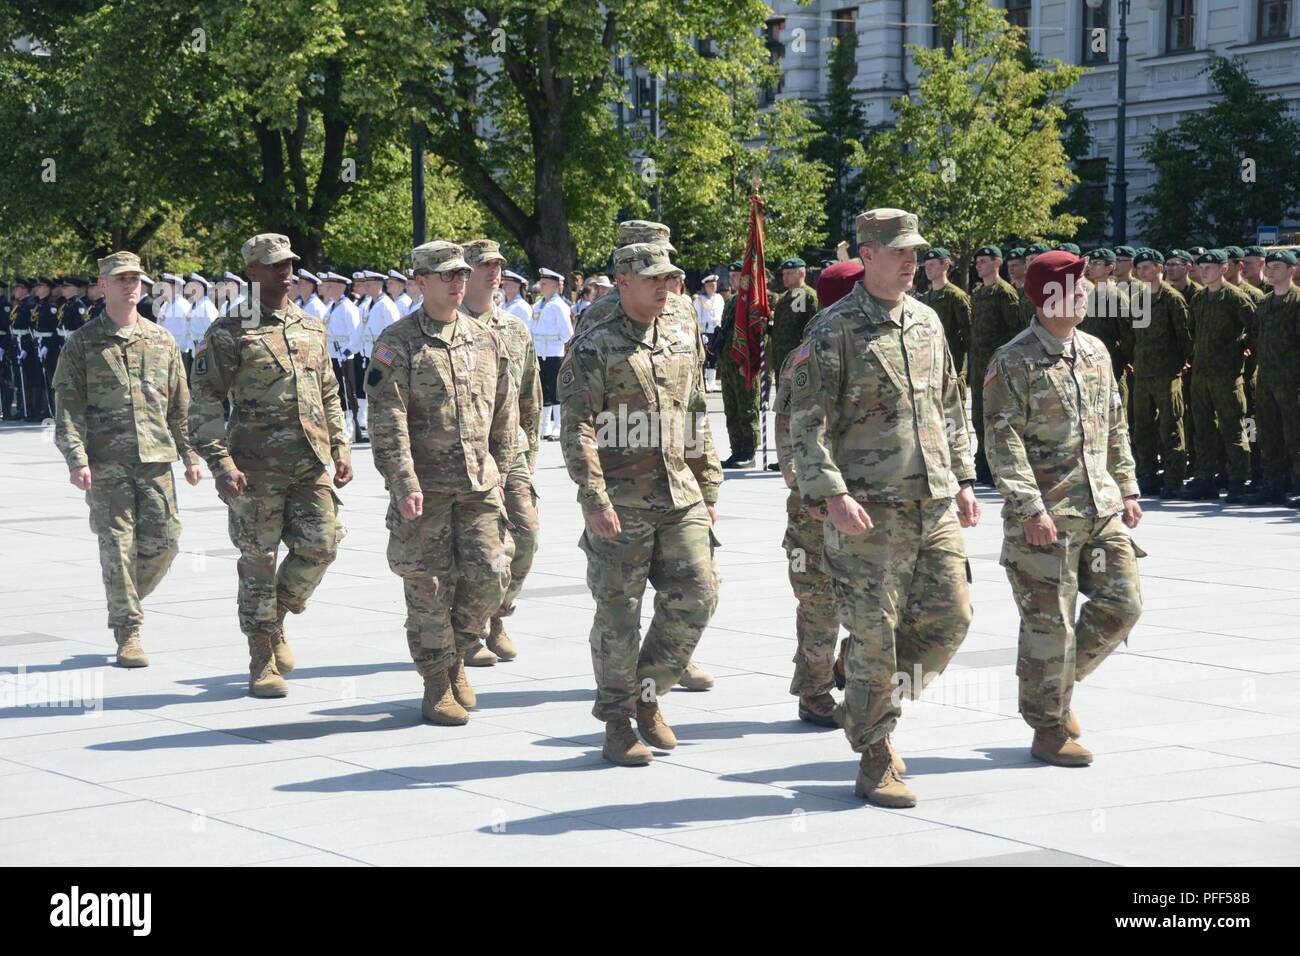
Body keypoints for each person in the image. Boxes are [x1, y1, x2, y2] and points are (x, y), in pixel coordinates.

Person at [788, 208, 980, 808]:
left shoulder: (927, 322)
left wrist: (967, 479)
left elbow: (949, 405)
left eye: (915, 252)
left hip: (934, 502)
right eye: (898, 251)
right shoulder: (832, 330)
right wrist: (833, 494)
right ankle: (876, 754)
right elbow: (806, 423)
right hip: (867, 513)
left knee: (952, 618)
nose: (910, 262)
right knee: (876, 638)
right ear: (866, 255)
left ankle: (869, 695)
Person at [558, 241, 723, 765]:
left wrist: (709, 485)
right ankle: (616, 721)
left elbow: (696, 414)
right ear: (623, 282)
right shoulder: (594, 347)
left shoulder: (678, 336)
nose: (663, 285)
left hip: (680, 495)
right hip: (621, 503)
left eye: (668, 277)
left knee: (699, 595)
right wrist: (594, 497)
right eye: (651, 277)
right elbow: (578, 428)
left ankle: (646, 694)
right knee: (618, 616)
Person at [982, 250, 1143, 767]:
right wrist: (1030, 508)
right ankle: (1048, 727)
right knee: (1050, 625)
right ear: (1048, 295)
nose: (1087, 292)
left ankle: (1050, 686)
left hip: (1100, 508)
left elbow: (1114, 424)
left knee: (1123, 605)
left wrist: (1129, 487)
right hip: (1046, 519)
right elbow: (1002, 441)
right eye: (1077, 285)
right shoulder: (1013, 359)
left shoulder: (1095, 351)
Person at [188, 233, 351, 698]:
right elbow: (205, 403)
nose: (286, 271)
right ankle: (261, 656)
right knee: (258, 560)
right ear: (252, 273)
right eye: (274, 264)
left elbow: (329, 393)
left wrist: (340, 447)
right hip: (253, 468)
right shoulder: (228, 331)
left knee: (322, 546)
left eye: (289, 263)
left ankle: (276, 615)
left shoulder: (311, 326)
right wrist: (220, 462)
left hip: (310, 461)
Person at [367, 240, 518, 724]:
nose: (458, 283)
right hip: (425, 490)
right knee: (429, 588)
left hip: (478, 486)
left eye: (461, 275)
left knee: (492, 575)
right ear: (420, 282)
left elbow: (503, 413)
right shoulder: (397, 342)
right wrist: (403, 482)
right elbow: (387, 419)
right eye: (447, 276)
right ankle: (438, 681)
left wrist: (502, 471)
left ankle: (458, 654)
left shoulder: (485, 338)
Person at [52, 251, 204, 667]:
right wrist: (76, 458)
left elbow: (180, 406)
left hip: (156, 460)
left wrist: (190, 454)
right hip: (106, 463)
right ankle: (128, 630)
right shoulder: (82, 343)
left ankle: (124, 596)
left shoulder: (161, 340)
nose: (130, 285)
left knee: (166, 543)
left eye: (135, 278)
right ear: (103, 286)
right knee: (117, 545)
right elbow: (67, 408)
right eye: (120, 279)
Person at [458, 238, 542, 667]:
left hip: (511, 454)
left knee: (525, 537)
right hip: (466, 459)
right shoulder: (449, 325)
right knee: (476, 549)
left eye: (497, 265)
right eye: (483, 265)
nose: (493, 272)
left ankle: (498, 615)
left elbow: (531, 398)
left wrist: (528, 457)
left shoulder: (514, 328)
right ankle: (470, 629)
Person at [1184, 249, 1254, 503]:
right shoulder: (1199, 299)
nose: (1204, 272)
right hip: (1201, 374)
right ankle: (1206, 478)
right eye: (1201, 268)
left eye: (1210, 267)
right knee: (1202, 429)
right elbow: (1192, 331)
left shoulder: (1235, 297)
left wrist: (1239, 347)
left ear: (1224, 269)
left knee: (1233, 427)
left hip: (1226, 374)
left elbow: (1255, 328)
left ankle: (1238, 480)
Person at [1130, 249, 1192, 497]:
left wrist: (1182, 363)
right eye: (1139, 268)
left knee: (1171, 426)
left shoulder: (1172, 298)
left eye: (1146, 267)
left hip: (1166, 373)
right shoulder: (1138, 298)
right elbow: (1133, 335)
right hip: (1142, 373)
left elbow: (1185, 336)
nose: (1141, 272)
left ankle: (1174, 479)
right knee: (1142, 428)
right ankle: (1147, 476)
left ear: (1159, 268)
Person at [969, 245, 1023, 483]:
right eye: (977, 261)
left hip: (998, 366)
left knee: (998, 418)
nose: (979, 265)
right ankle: (982, 464)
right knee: (978, 417)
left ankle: (998, 465)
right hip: (979, 365)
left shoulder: (1005, 293)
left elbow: (1015, 331)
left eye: (983, 261)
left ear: (996, 263)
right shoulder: (979, 293)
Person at [1251, 249, 1300, 506]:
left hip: (1292, 382)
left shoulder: (1297, 301)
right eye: (1268, 267)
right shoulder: (1265, 303)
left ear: (1292, 270)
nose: (1270, 271)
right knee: (1268, 434)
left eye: (1277, 267)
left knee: (1295, 434)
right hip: (1267, 379)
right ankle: (1273, 484)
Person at [918, 248, 971, 398]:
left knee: (954, 417)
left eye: (932, 264)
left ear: (945, 265)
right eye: (926, 265)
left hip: (952, 366)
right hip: (930, 366)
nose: (928, 268)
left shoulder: (956, 296)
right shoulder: (925, 299)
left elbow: (968, 334)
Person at [767, 257, 819, 393]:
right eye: (784, 274)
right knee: (783, 403)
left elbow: (812, 329)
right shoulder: (784, 297)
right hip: (781, 360)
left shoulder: (805, 296)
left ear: (801, 274)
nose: (785, 277)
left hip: (798, 361)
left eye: (789, 273)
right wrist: (767, 328)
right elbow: (782, 328)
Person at [532, 267, 572, 440]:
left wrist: (557, 344)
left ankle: (558, 425)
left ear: (556, 286)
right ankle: (545, 425)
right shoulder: (539, 304)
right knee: (544, 389)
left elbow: (568, 332)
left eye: (545, 283)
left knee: (555, 388)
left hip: (554, 351)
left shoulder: (559, 306)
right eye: (541, 282)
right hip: (540, 351)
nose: (541, 286)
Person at [692, 274, 725, 391]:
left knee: (714, 358)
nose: (713, 287)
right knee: (705, 358)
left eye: (714, 285)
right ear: (705, 286)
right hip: (705, 332)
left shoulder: (719, 298)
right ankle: (704, 382)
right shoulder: (699, 300)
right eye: (710, 285)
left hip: (717, 331)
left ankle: (712, 382)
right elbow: (696, 318)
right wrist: (700, 333)